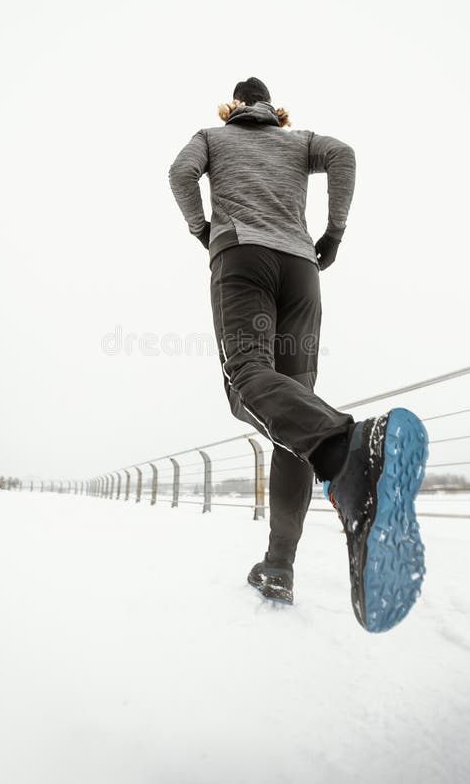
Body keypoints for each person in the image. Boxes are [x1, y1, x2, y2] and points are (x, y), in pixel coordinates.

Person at [169, 77, 428, 633]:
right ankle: (279, 566)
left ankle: (345, 450)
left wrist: (204, 230)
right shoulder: (300, 140)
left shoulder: (211, 137)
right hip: (301, 269)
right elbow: (343, 154)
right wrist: (333, 234)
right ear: (274, 109)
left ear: (234, 107)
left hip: (244, 258)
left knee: (246, 380)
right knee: (293, 411)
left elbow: (180, 173)